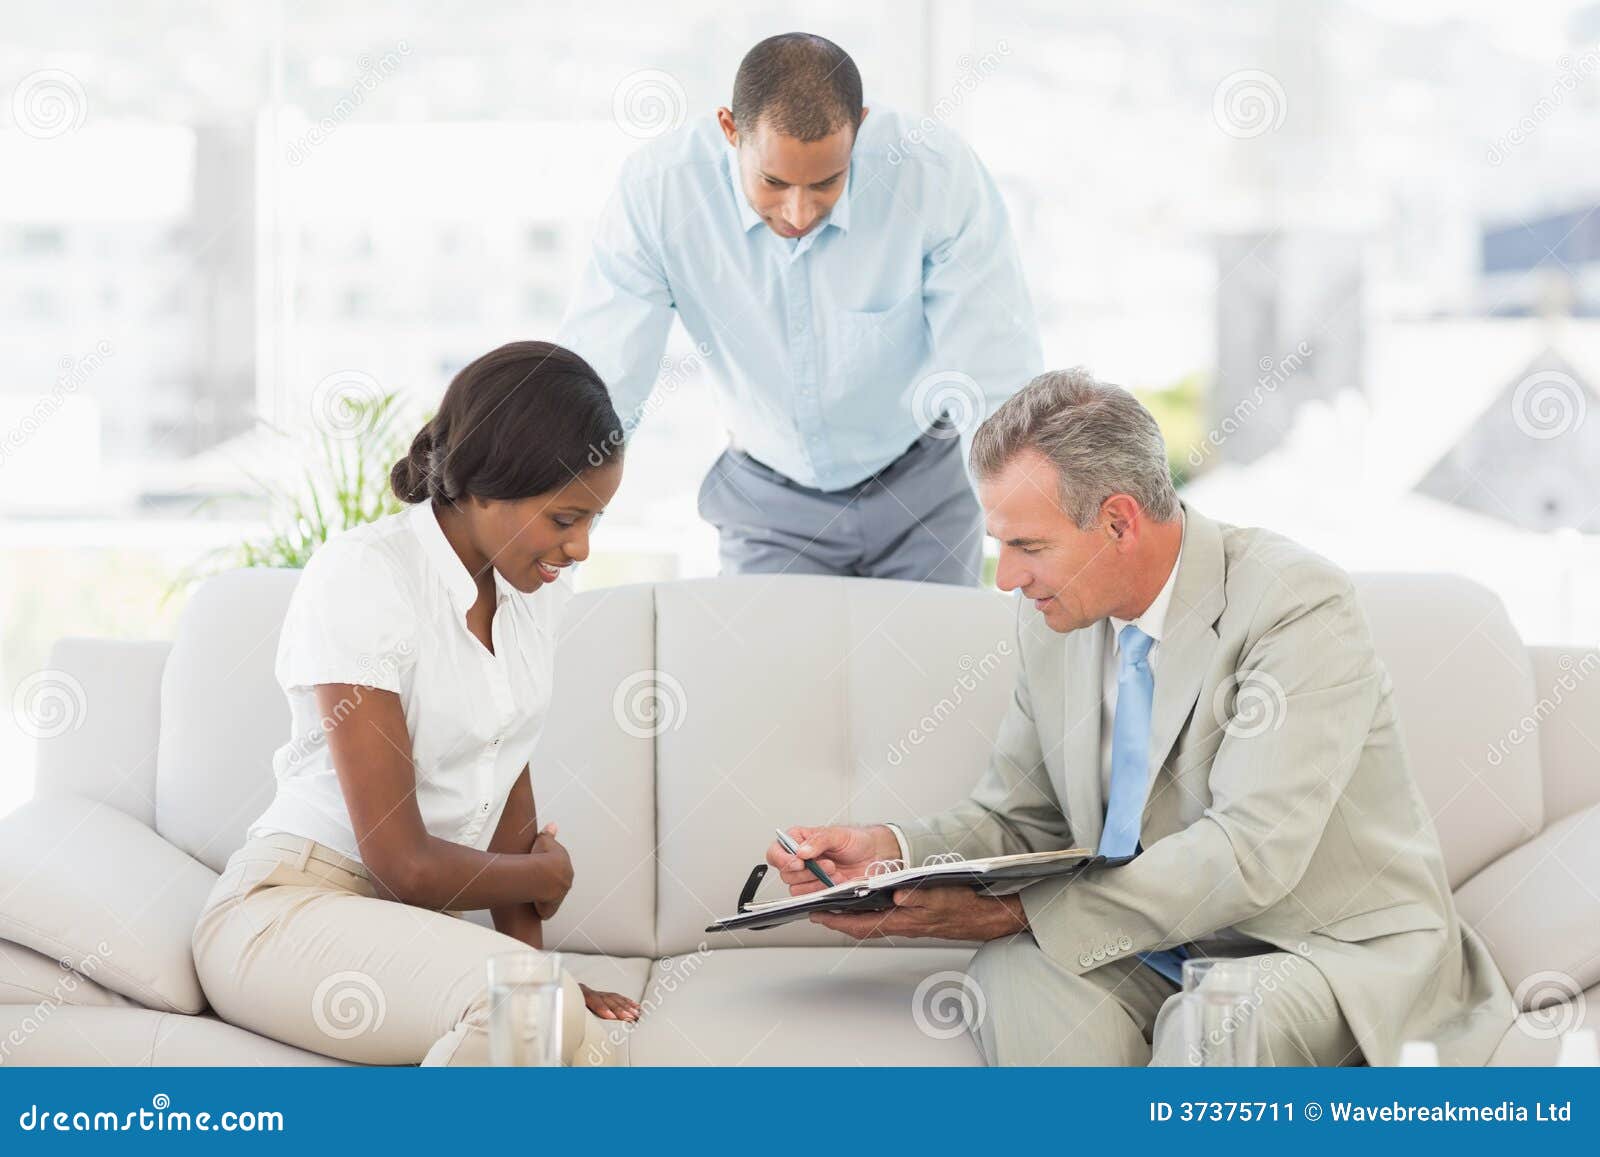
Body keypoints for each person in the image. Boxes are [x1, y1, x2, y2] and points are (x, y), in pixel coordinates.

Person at [767, 368, 1515, 1066]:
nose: (1010, 578)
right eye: (1001, 546)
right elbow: (1020, 819)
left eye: (1028, 546)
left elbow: (1250, 853)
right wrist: (889, 851)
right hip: (1149, 942)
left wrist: (1020, 912)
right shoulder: (1053, 621)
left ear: (1120, 522)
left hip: (1317, 947)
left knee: (1218, 1017)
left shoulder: (1295, 604)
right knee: (1015, 977)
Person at [193, 341, 642, 1066]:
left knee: (587, 1051)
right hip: (286, 909)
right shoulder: (367, 575)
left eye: (595, 520)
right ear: (488, 485)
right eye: (565, 518)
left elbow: (507, 784)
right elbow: (401, 862)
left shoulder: (534, 597)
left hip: (400, 937)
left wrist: (537, 978)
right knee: (540, 1019)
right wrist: (544, 882)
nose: (582, 547)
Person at [559, 32, 1041, 584]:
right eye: (773, 181)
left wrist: (1031, 531)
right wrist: (556, 525)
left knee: (927, 667)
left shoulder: (933, 172)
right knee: (768, 668)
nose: (799, 211)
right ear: (729, 130)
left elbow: (995, 371)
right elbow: (607, 379)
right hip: (768, 500)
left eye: (826, 181)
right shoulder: (659, 193)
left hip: (923, 490)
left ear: (858, 129)